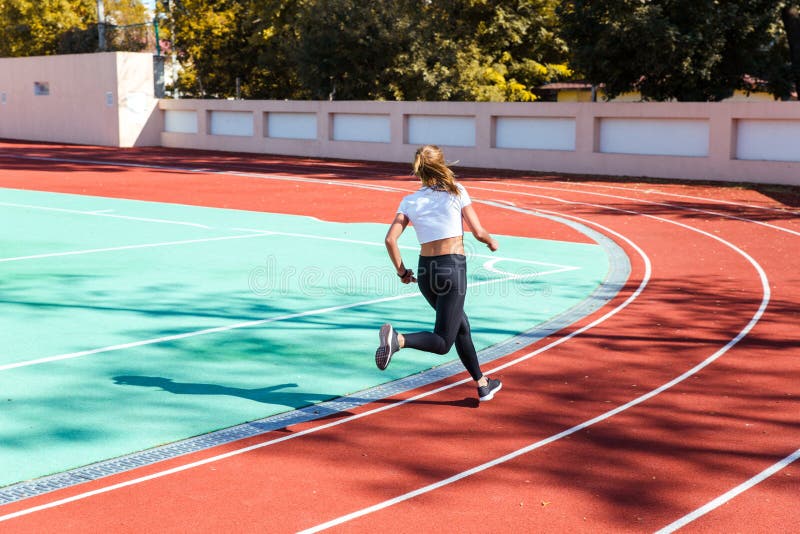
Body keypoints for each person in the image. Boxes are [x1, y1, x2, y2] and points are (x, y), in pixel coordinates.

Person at [375, 145, 502, 402]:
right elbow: (478, 232)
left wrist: (402, 272)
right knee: (443, 342)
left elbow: (390, 240)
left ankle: (482, 383)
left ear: (419, 170)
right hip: (452, 269)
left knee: (461, 327)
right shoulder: (456, 191)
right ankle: (398, 340)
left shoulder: (410, 200)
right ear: (442, 165)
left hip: (426, 272)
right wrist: (490, 241)